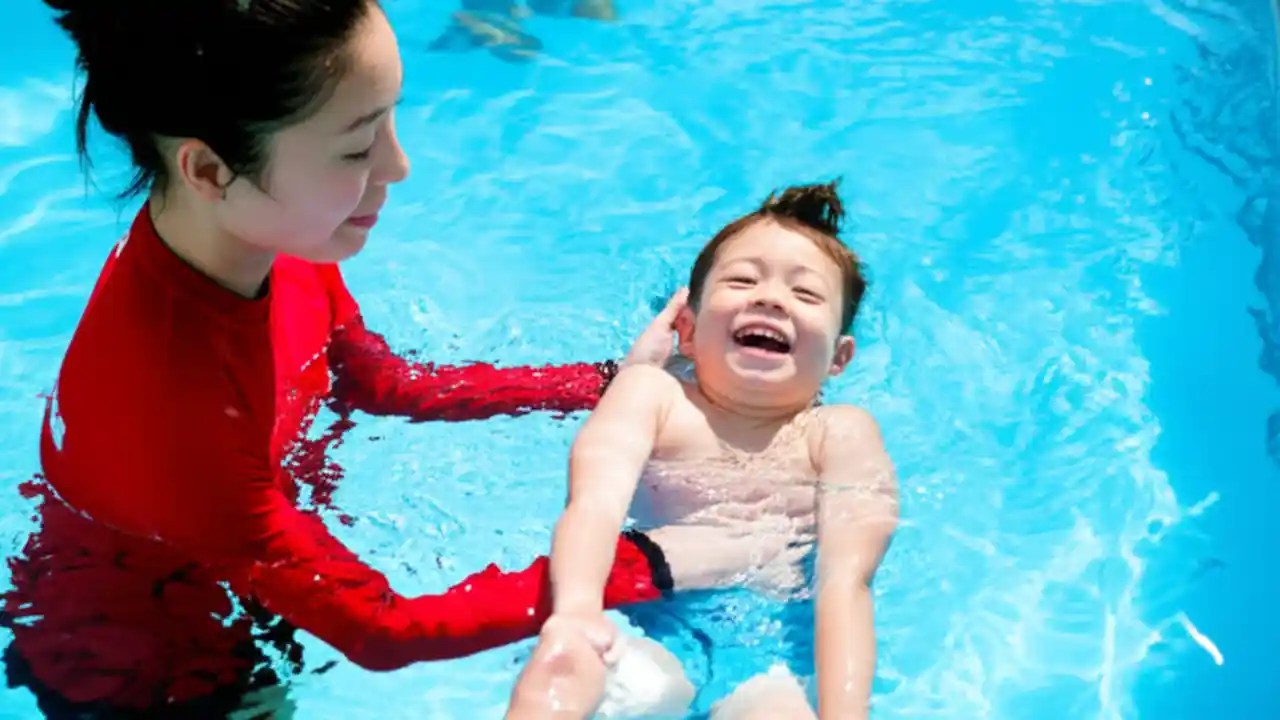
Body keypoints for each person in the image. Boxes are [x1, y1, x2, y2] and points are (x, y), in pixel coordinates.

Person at [3, 1, 685, 716]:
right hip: (142, 676)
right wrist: (659, 561)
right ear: (209, 168)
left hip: (234, 583)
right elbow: (384, 631)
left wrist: (615, 381)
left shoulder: (265, 243)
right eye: (358, 148)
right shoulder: (173, 398)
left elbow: (382, 382)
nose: (399, 165)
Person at [506, 181, 900, 719]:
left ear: (839, 357)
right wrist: (575, 614)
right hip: (650, 619)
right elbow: (593, 506)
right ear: (686, 330)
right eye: (742, 280)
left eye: (805, 295)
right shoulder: (652, 396)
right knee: (588, 674)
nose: (769, 297)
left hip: (775, 654)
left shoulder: (840, 434)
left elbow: (846, 583)